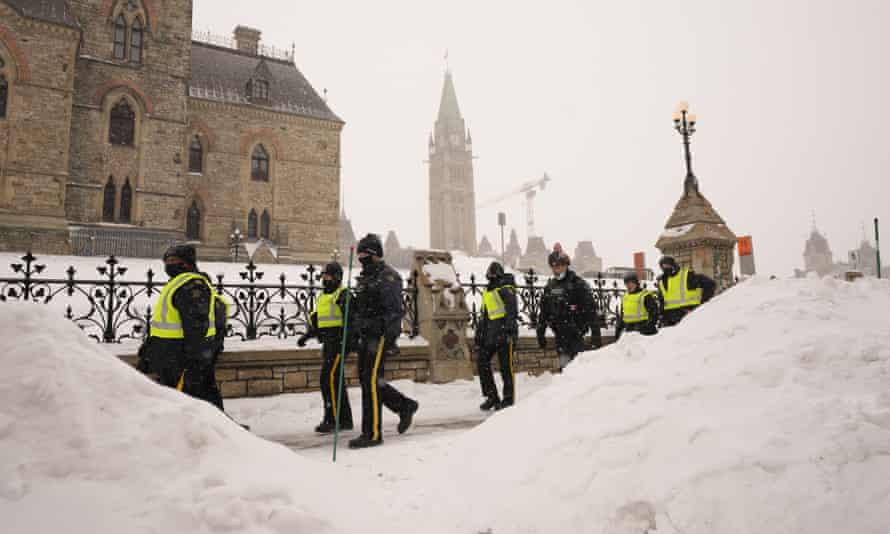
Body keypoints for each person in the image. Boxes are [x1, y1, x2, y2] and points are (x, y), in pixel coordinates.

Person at [348, 233, 419, 449]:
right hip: (365, 337)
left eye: (365, 254)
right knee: (367, 380)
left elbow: (394, 312)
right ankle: (404, 406)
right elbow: (361, 309)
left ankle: (372, 433)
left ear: (375, 254)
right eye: (359, 254)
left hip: (378, 337)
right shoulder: (365, 277)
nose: (361, 258)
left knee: (370, 380)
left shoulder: (388, 277)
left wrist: (385, 337)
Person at [137, 244, 217, 403]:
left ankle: (219, 427)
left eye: (173, 260)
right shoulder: (178, 282)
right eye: (166, 260)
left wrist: (193, 358)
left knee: (191, 399)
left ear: (186, 263)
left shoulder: (190, 285)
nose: (168, 264)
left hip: (179, 354)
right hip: (167, 352)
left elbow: (196, 324)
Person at [298, 262, 355, 434]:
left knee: (327, 379)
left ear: (337, 277)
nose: (325, 279)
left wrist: (347, 339)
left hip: (339, 344)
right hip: (328, 344)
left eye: (328, 276)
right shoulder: (323, 296)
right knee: (335, 380)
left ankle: (332, 419)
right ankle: (344, 420)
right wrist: (307, 335)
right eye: (323, 276)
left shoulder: (343, 294)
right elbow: (318, 321)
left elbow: (351, 321)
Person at [536, 243, 602, 370]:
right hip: (560, 336)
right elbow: (543, 312)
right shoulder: (550, 287)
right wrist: (540, 333)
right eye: (554, 267)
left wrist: (596, 338)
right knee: (565, 372)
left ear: (566, 266)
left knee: (578, 371)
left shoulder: (578, 284)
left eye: (559, 266)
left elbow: (591, 312)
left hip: (576, 335)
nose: (557, 270)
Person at [474, 262, 519, 411]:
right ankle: (492, 396)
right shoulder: (489, 289)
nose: (490, 276)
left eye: (492, 274)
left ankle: (508, 399)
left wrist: (509, 331)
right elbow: (485, 315)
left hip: (504, 334)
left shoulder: (506, 287)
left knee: (506, 368)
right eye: (489, 274)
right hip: (490, 335)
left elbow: (512, 311)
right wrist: (479, 335)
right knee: (482, 363)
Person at [656, 256, 716, 327]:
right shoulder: (662, 282)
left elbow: (710, 284)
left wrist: (703, 302)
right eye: (663, 266)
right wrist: (662, 317)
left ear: (674, 264)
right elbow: (662, 301)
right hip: (670, 319)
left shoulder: (688, 276)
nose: (666, 268)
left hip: (689, 315)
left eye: (668, 265)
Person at [615, 272, 659, 341]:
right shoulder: (625, 297)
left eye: (631, 283)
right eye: (626, 283)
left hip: (643, 330)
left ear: (636, 283)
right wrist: (618, 328)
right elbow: (623, 315)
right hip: (629, 330)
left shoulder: (645, 295)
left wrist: (648, 327)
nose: (628, 285)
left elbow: (654, 313)